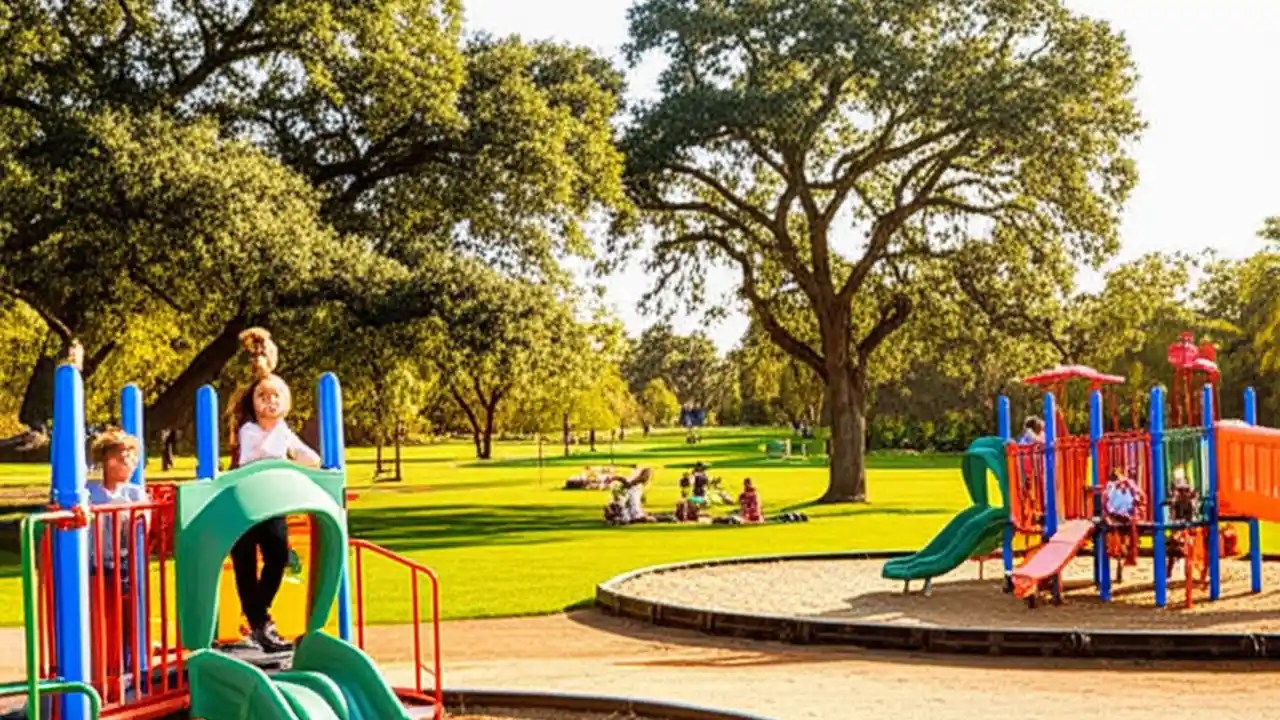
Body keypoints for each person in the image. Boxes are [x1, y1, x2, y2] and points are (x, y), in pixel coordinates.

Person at [226, 327, 320, 653]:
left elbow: (306, 454)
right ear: (254, 403)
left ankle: (256, 617)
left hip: (271, 503)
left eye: (276, 397)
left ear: (286, 403)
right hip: (243, 502)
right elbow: (259, 456)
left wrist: (318, 462)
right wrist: (287, 462)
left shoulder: (283, 430)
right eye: (263, 397)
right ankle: (259, 622)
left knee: (278, 556)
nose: (270, 402)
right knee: (244, 561)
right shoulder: (250, 430)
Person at [86, 427, 149, 691]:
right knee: (98, 616)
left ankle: (129, 666)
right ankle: (98, 668)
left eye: (132, 457)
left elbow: (145, 520)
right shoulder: (90, 491)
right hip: (96, 562)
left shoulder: (133, 492)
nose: (128, 462)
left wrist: (139, 513)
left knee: (128, 614)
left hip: (124, 562)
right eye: (122, 456)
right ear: (105, 460)